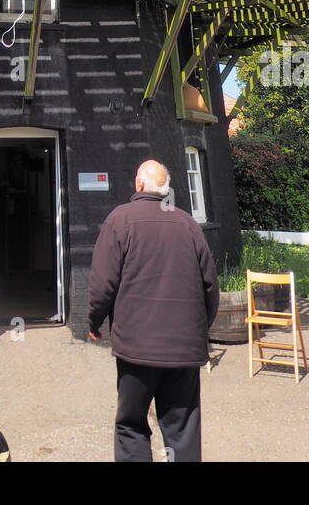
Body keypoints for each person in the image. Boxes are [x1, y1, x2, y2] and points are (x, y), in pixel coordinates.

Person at [88, 158, 219, 463]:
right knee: (182, 429)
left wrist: (94, 322)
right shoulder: (188, 223)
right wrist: (199, 330)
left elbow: (103, 283)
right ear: (166, 188)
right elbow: (211, 285)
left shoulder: (119, 220)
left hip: (136, 348)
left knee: (131, 425)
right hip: (184, 349)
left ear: (139, 184)